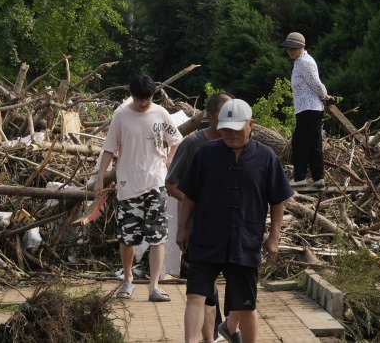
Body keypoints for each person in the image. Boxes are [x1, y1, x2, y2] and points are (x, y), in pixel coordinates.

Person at [176, 99, 294, 343]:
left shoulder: (266, 157)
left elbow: (278, 201)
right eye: (226, 128)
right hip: (207, 238)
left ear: (251, 125)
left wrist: (273, 238)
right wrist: (181, 229)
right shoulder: (206, 154)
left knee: (246, 305)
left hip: (245, 241)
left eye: (236, 129)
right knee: (196, 296)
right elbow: (190, 196)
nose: (230, 134)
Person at [94, 75, 181, 303]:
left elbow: (176, 140)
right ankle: (128, 279)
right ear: (131, 95)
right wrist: (100, 178)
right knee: (128, 237)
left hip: (155, 182)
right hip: (128, 184)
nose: (144, 104)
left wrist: (169, 160)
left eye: (148, 99)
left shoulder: (160, 113)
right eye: (140, 99)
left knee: (157, 236)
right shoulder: (121, 115)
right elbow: (109, 149)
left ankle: (154, 286)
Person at [165, 92, 239, 343]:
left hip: (232, 233)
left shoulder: (239, 143)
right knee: (202, 291)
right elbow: (172, 183)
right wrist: (193, 207)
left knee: (227, 290)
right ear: (209, 116)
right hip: (201, 231)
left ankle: (217, 332)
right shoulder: (194, 144)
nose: (230, 120)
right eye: (224, 114)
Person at [280, 31, 330, 185]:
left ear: (301, 47)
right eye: (288, 48)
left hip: (309, 108)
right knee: (314, 143)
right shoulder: (300, 61)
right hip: (307, 107)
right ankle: (318, 178)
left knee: (299, 142)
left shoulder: (304, 62)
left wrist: (325, 95)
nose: (290, 51)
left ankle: (300, 178)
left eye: (293, 48)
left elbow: (315, 82)